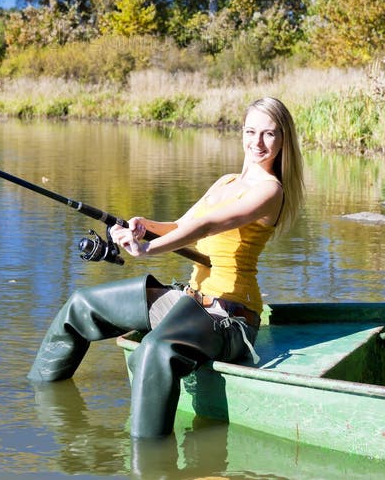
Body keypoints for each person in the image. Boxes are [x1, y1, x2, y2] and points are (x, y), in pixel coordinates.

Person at [28, 96, 305, 438]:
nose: (257, 142)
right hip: (193, 300)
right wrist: (143, 226)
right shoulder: (227, 182)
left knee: (155, 352)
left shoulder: (270, 191)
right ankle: (41, 408)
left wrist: (147, 249)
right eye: (250, 131)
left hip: (231, 318)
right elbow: (182, 225)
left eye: (268, 134)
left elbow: (207, 226)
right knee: (81, 306)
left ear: (283, 139)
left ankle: (148, 462)